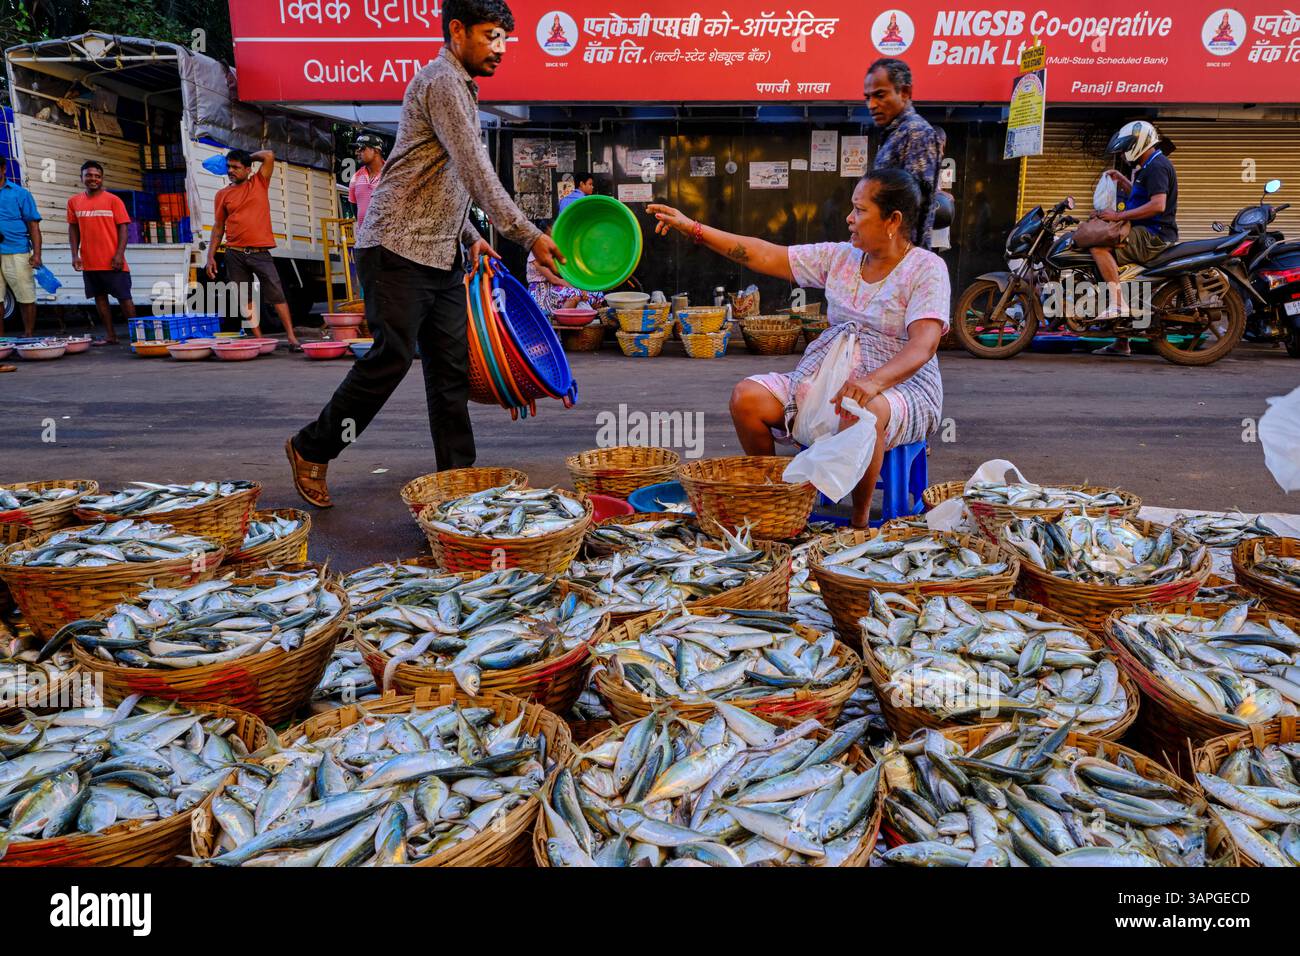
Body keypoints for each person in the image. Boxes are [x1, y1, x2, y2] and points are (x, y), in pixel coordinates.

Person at [285, 0, 564, 508]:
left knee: (450, 368)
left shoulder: (460, 87)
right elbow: (476, 170)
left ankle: (456, 481)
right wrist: (527, 235)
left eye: (504, 38)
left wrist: (470, 237)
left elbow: (446, 178)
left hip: (439, 254)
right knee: (391, 359)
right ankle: (312, 447)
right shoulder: (441, 81)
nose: (499, 48)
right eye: (489, 35)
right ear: (457, 31)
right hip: (395, 247)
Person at [648, 167, 949, 529]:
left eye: (860, 210)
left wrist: (873, 383)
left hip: (902, 386)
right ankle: (776, 498)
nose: (849, 218)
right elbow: (762, 254)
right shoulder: (841, 258)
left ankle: (857, 523)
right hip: (827, 377)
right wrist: (693, 228)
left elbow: (924, 345)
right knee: (747, 397)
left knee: (860, 408)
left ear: (893, 220)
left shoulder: (925, 268)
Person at [1090, 120, 1178, 356]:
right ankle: (1122, 342)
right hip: (1145, 231)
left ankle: (1118, 303)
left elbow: (1157, 205)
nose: (1126, 150)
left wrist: (1117, 215)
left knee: (1098, 248)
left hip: (1153, 235)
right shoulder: (1146, 165)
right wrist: (1123, 180)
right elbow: (1143, 197)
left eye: (1129, 144)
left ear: (1141, 141)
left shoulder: (1157, 166)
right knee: (1121, 275)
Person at [205, 148, 303, 351]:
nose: (231, 170)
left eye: (236, 167)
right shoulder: (222, 195)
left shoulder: (259, 182)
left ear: (248, 169)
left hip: (260, 253)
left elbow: (269, 155)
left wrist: (246, 157)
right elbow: (218, 227)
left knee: (277, 294)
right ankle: (259, 339)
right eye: (229, 166)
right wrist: (210, 256)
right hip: (234, 252)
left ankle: (292, 338)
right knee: (244, 297)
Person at [865, 58, 945, 250]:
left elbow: (913, 208)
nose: (871, 105)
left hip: (901, 259)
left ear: (905, 92)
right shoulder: (895, 133)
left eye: (880, 95)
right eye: (868, 97)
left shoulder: (916, 133)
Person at [67, 160, 134, 345]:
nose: (93, 179)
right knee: (100, 299)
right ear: (81, 178)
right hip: (89, 261)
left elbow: (123, 229)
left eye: (97, 176)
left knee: (124, 298)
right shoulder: (74, 202)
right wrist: (75, 255)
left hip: (113, 261)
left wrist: (119, 254)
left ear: (102, 178)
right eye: (89, 175)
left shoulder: (113, 200)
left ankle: (138, 336)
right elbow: (73, 229)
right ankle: (110, 336)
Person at [0, 156, 42, 339]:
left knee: (26, 296)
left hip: (17, 251)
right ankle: (1, 340)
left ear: (3, 169)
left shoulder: (20, 193)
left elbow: (33, 225)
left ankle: (28, 335)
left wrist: (37, 254)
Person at [526, 220, 603, 313]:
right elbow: (554, 279)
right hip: (542, 291)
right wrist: (578, 289)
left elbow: (569, 275)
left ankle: (585, 315)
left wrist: (582, 288)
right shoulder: (536, 253)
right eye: (550, 235)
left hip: (558, 286)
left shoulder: (556, 250)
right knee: (576, 293)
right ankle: (559, 320)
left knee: (597, 293)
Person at [349, 133, 385, 225]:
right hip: (364, 237)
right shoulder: (355, 177)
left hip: (387, 236)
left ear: (376, 151)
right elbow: (354, 208)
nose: (357, 152)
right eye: (356, 149)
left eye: (362, 148)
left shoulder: (390, 174)